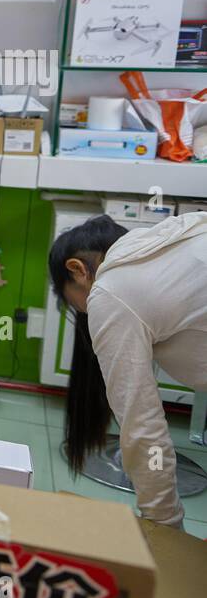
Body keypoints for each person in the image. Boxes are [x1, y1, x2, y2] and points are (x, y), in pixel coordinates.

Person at [48, 211, 207, 527]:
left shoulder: (111, 292)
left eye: (75, 303)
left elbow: (143, 423)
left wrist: (164, 526)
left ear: (77, 270)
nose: (84, 313)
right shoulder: (165, 239)